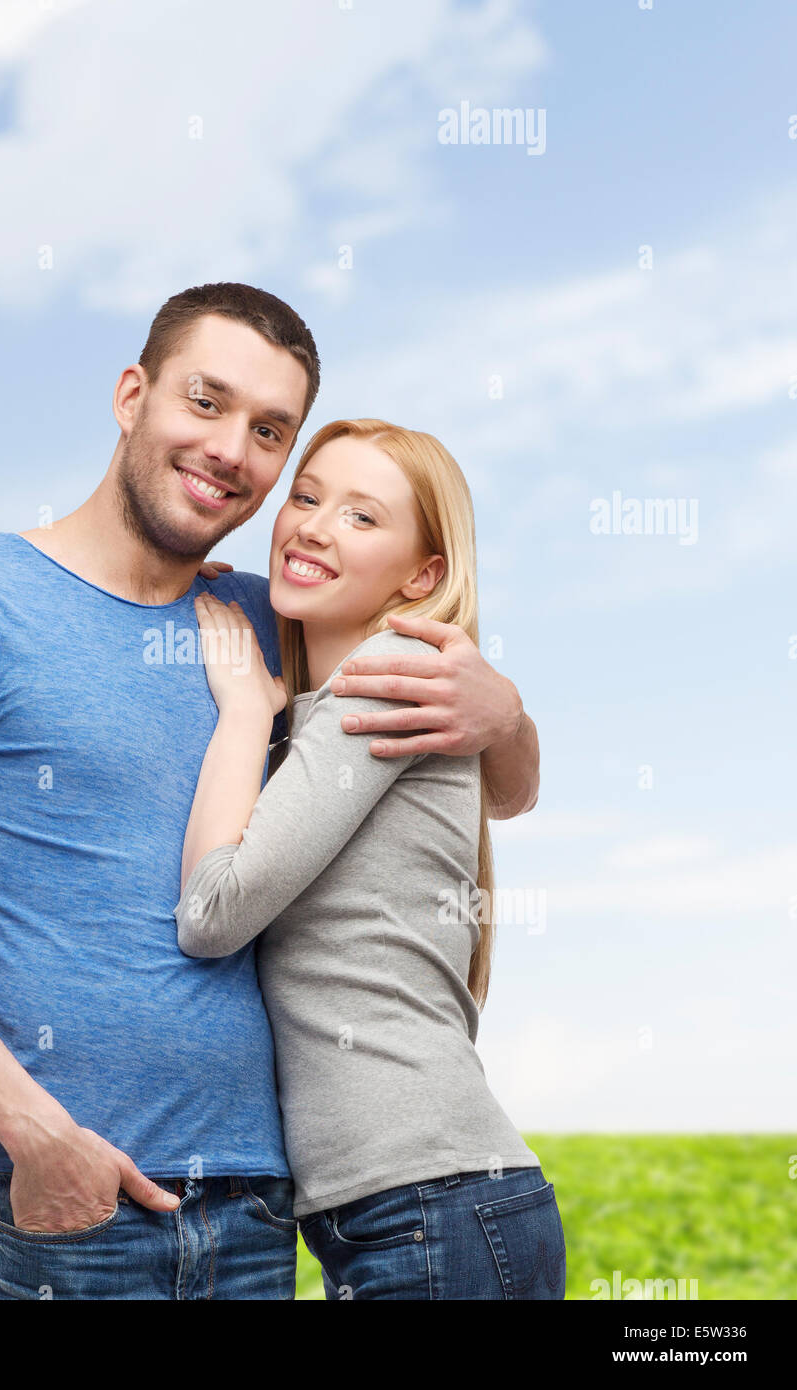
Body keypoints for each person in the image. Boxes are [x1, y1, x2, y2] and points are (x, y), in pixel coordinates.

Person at [0, 283, 541, 1300]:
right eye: (204, 402)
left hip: (258, 1211)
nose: (230, 450)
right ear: (132, 395)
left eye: (267, 431)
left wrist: (502, 710)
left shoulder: (281, 621)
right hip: (59, 1202)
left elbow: (495, 791)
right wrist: (37, 1135)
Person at [175, 418, 565, 1299]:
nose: (311, 525)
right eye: (305, 498)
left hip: (428, 1205)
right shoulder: (336, 692)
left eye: (361, 517)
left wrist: (243, 711)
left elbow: (211, 917)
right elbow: (506, 791)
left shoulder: (385, 679)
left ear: (422, 576)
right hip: (413, 1209)